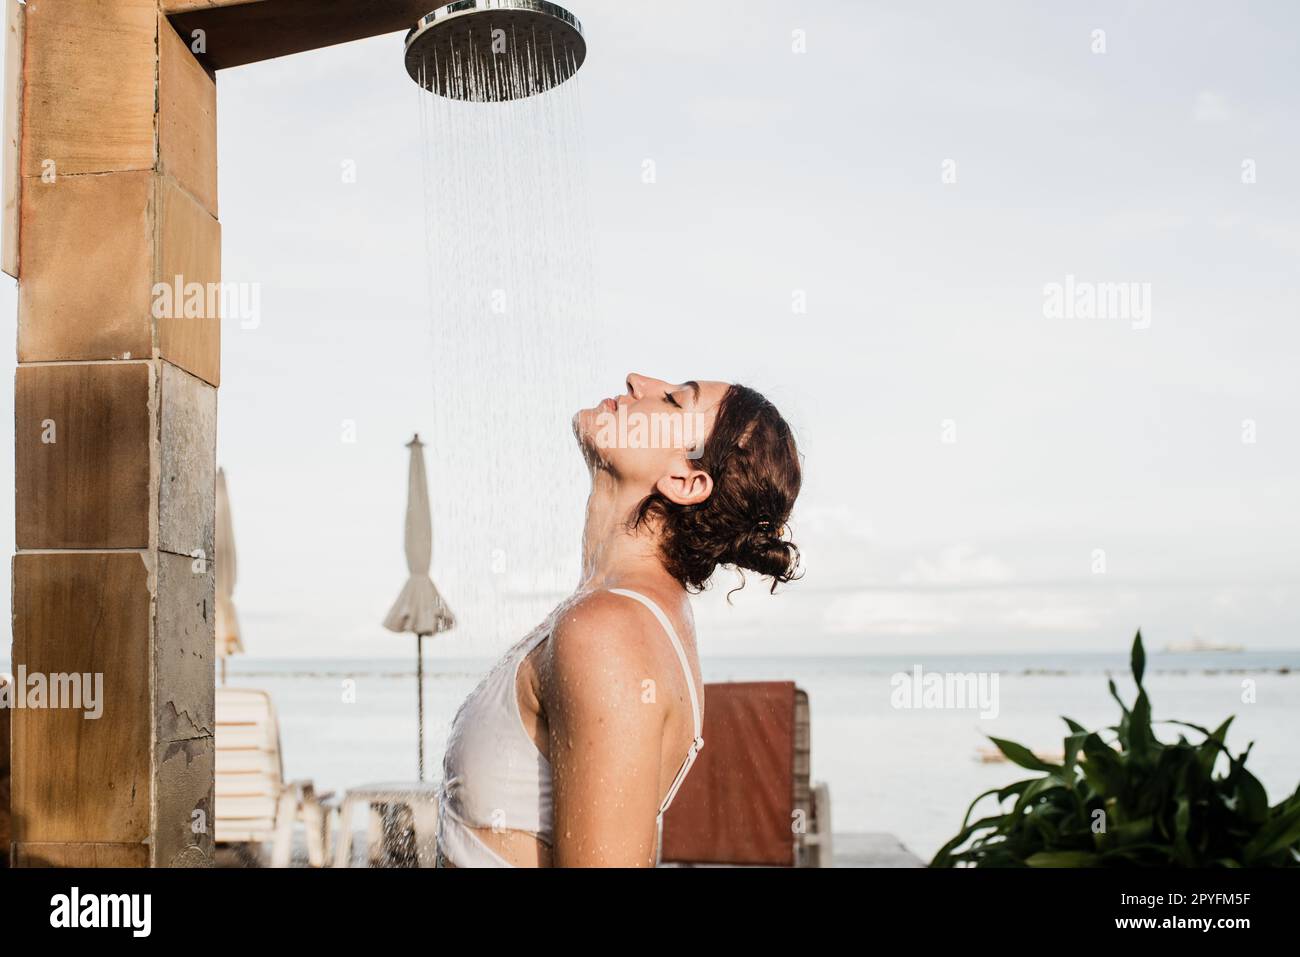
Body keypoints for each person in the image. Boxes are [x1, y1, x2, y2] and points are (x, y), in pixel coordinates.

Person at [436, 374, 802, 866]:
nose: (637, 380)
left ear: (685, 482)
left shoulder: (611, 631)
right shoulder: (612, 611)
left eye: (674, 400)